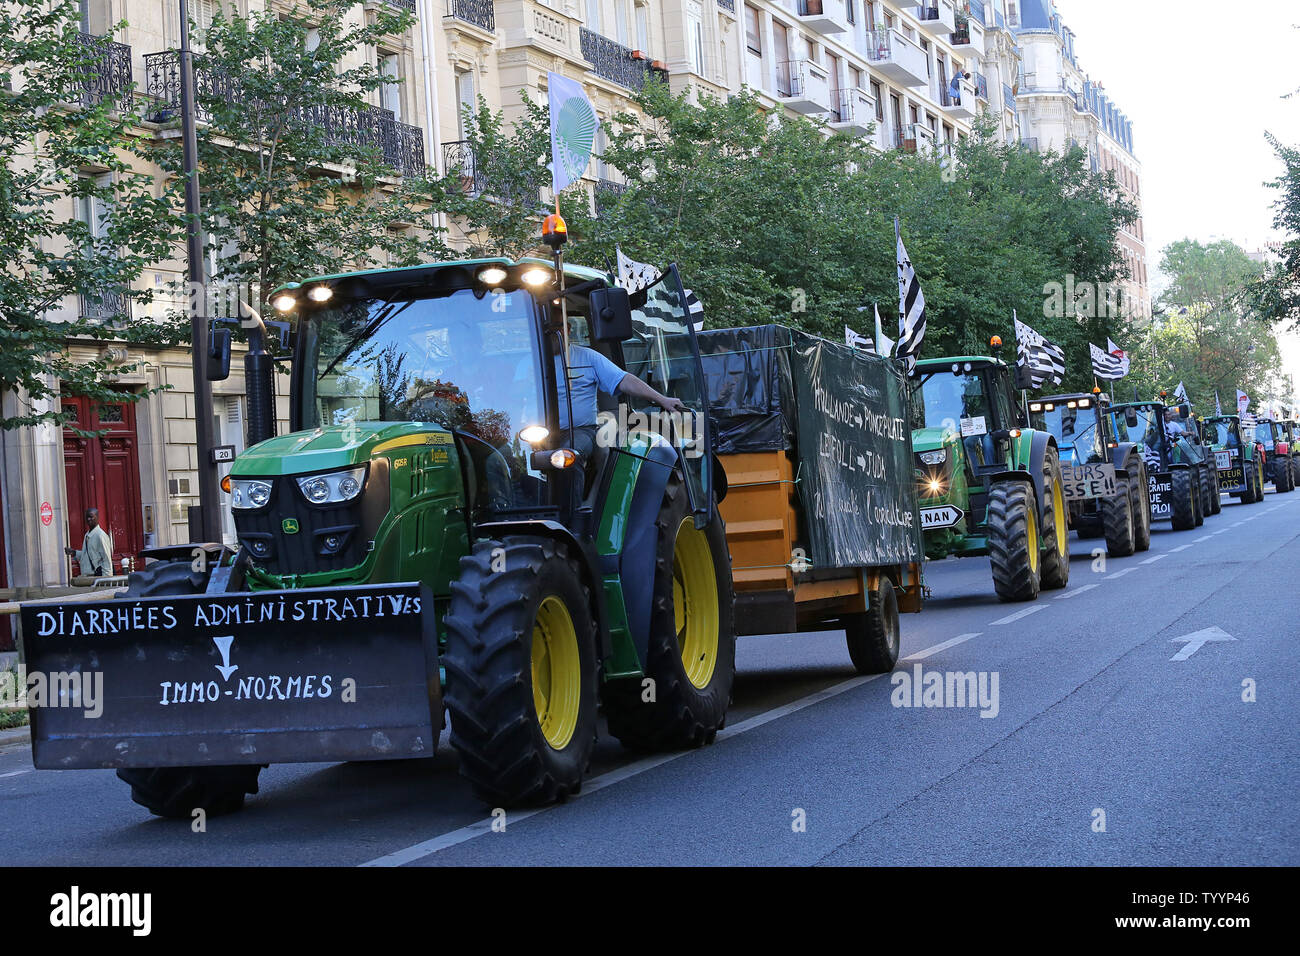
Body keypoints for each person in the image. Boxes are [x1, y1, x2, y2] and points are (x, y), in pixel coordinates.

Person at [556, 341, 684, 461]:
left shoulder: (587, 357)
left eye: (558, 326)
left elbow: (623, 380)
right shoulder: (535, 360)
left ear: (568, 328)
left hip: (578, 430)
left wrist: (662, 399)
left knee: (567, 456)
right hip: (540, 432)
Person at [65, 508, 112, 578]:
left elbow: (106, 559)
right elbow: (87, 556)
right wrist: (74, 552)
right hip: (87, 577)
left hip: (97, 577)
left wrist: (106, 580)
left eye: (91, 517)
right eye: (87, 517)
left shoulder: (100, 535)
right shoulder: (87, 534)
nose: (88, 519)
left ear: (97, 517)